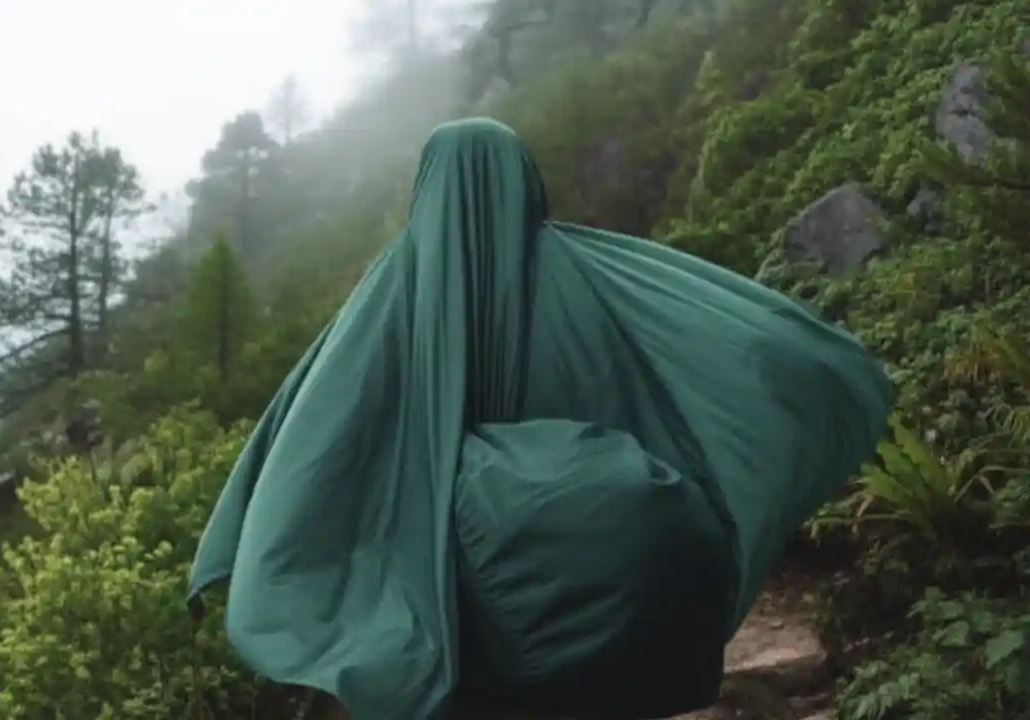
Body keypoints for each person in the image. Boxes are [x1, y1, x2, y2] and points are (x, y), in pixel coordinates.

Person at [188, 117, 893, 720]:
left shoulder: (390, 298)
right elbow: (732, 353)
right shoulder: (596, 277)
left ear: (425, 189)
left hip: (462, 629)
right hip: (581, 626)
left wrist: (266, 547)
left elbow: (313, 439)